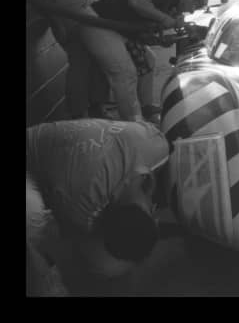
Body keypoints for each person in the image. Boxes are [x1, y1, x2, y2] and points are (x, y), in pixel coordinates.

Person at [26, 119, 170, 287]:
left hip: (54, 150)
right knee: (108, 266)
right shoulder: (82, 207)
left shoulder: (159, 146)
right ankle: (42, 276)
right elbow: (71, 236)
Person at [91, 0, 209, 121]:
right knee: (125, 72)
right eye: (194, 5)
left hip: (118, 29)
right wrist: (164, 18)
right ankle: (132, 120)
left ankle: (145, 107)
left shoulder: (170, 5)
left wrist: (160, 40)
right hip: (100, 22)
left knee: (148, 59)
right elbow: (136, 1)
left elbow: (143, 33)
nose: (191, 11)